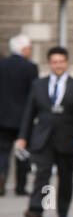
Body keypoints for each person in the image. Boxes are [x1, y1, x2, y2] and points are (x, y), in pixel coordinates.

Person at [14, 46, 73, 217]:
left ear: (67, 63)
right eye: (55, 62)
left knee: (65, 178)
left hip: (67, 139)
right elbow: (29, 112)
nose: (58, 65)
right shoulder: (38, 85)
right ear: (50, 64)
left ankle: (62, 213)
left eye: (61, 62)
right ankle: (36, 209)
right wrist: (22, 136)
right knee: (42, 174)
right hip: (43, 138)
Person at [0, 34, 38, 196]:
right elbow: (34, 94)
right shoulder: (30, 67)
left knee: (2, 152)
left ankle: (1, 179)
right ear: (23, 49)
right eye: (29, 48)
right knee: (22, 153)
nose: (30, 51)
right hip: (23, 118)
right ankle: (20, 186)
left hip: (2, 117)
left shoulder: (2, 64)